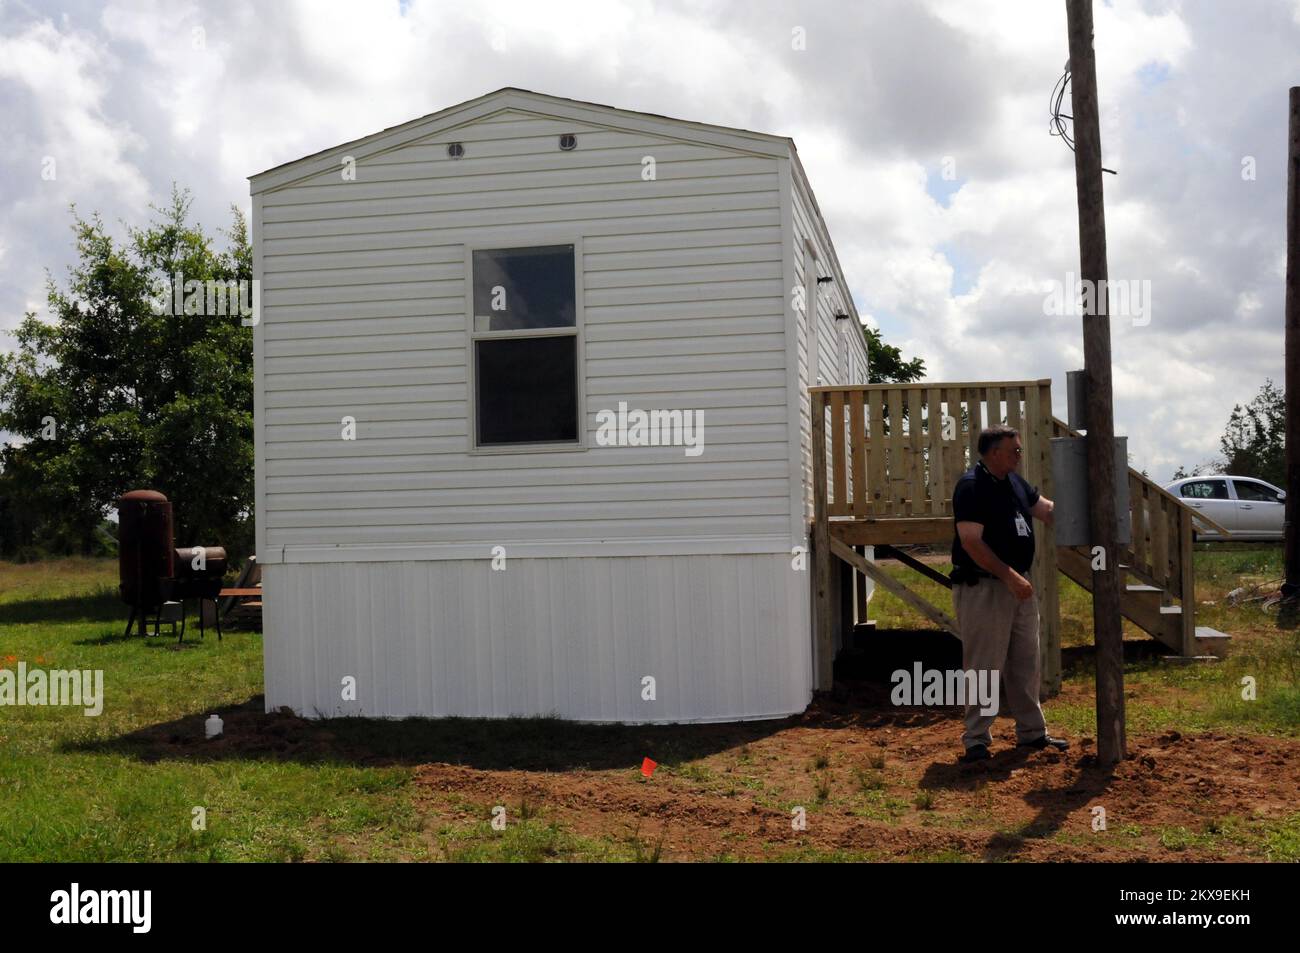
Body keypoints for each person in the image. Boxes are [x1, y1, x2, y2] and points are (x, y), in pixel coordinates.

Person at [950, 425, 1068, 763]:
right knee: (985, 665)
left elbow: (1046, 511)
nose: (1019, 454)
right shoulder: (972, 486)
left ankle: (1032, 734)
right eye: (1013, 450)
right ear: (993, 453)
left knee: (1026, 661)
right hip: (985, 586)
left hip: (1019, 587)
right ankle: (976, 739)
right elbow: (971, 541)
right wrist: (1009, 577)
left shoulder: (1014, 482)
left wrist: (1086, 507)